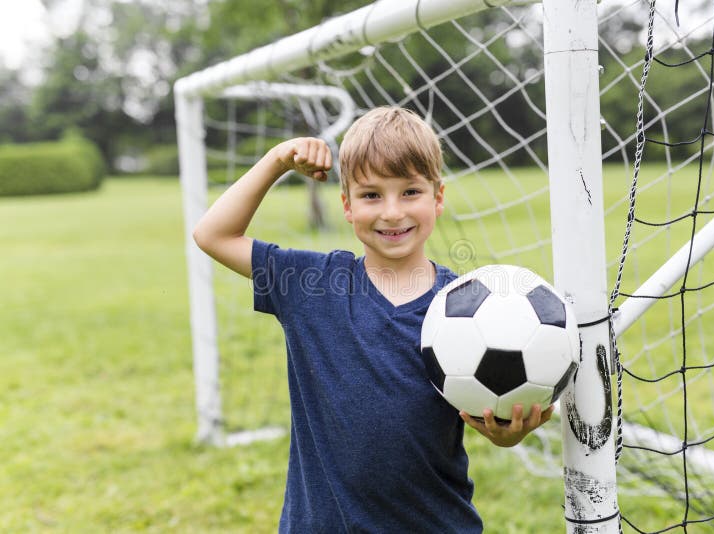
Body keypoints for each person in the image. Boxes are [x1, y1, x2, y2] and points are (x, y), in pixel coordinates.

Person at [192, 106, 554, 532]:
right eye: (371, 195)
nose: (392, 212)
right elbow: (213, 234)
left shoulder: (466, 305)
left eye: (410, 192)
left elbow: (488, 407)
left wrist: (505, 431)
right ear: (346, 205)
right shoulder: (307, 284)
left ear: (438, 198)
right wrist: (277, 160)